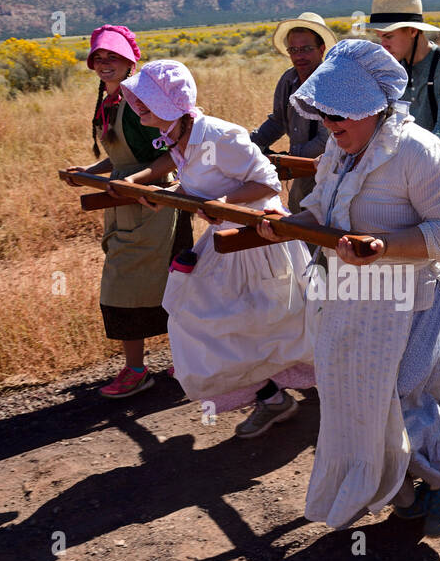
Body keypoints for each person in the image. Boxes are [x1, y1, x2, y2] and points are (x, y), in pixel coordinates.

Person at [254, 40, 440, 537]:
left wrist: (385, 245)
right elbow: (326, 213)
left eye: (340, 116)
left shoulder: (418, 151)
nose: (330, 126)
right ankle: (398, 487)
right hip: (356, 298)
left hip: (417, 297)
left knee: (404, 395)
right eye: (325, 115)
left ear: (373, 107)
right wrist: (289, 223)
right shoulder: (339, 150)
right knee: (358, 396)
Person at [112, 59, 314, 437]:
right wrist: (169, 195)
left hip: (256, 240)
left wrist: (219, 203)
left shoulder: (221, 135)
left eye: (145, 99)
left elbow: (268, 184)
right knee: (195, 313)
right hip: (225, 242)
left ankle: (320, 391)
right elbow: (196, 186)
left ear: (169, 104)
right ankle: (271, 396)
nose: (137, 104)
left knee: (269, 322)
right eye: (138, 98)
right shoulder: (176, 138)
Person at [60, 24, 190, 399]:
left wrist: (138, 183)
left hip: (157, 205)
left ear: (130, 61)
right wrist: (89, 173)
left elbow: (171, 154)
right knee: (150, 283)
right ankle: (154, 364)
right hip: (128, 203)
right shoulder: (111, 101)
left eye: (112, 57)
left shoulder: (138, 102)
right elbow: (122, 158)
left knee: (146, 284)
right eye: (99, 57)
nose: (104, 63)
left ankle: (146, 368)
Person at [366, 0, 440, 177]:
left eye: (388, 37)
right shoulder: (394, 66)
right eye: (380, 38)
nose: (383, 45)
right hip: (407, 162)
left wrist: (406, 161)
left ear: (412, 31)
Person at [249, 12, 336, 213]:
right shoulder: (288, 81)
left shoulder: (331, 84)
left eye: (306, 49)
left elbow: (326, 141)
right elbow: (278, 121)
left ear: (322, 49)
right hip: (301, 175)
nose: (299, 56)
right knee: (298, 218)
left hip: (331, 175)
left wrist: (287, 159)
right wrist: (251, 143)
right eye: (293, 50)